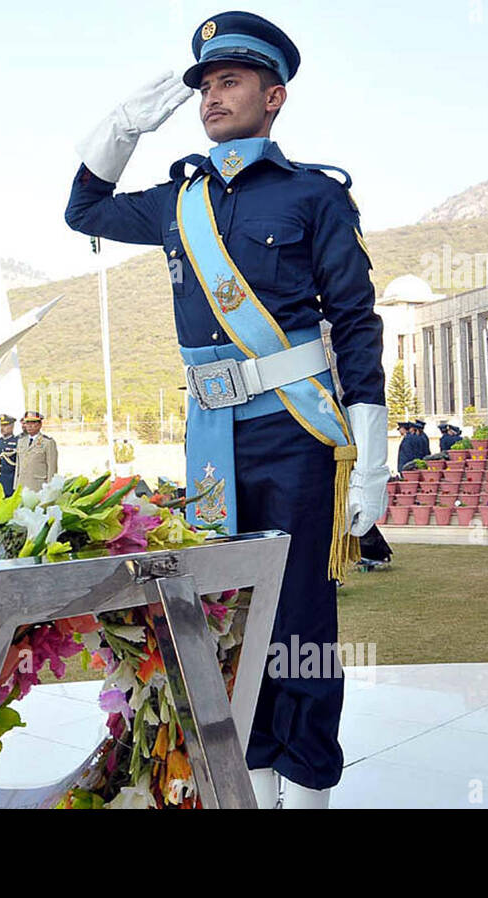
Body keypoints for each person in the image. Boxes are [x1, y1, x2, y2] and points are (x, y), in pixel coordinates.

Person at [64, 11, 388, 809]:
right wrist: (134, 117)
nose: (212, 96)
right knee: (232, 620)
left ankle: (308, 789)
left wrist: (373, 457)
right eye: (205, 83)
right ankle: (258, 784)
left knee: (303, 623)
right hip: (210, 434)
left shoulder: (315, 196)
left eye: (231, 80)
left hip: (298, 430)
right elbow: (84, 208)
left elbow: (355, 322)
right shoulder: (180, 201)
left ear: (274, 96)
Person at [13, 411, 58, 491]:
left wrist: (50, 487)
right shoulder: (21, 441)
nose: (29, 425)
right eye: (27, 422)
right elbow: (18, 466)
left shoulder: (47, 442)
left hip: (38, 486)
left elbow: (52, 468)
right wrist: (16, 485)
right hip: (22, 485)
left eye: (33, 422)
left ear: (40, 424)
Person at [0, 413, 19, 499]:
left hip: (10, 483)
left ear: (12, 426)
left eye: (5, 425)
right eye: (1, 425)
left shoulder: (17, 441)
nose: (2, 428)